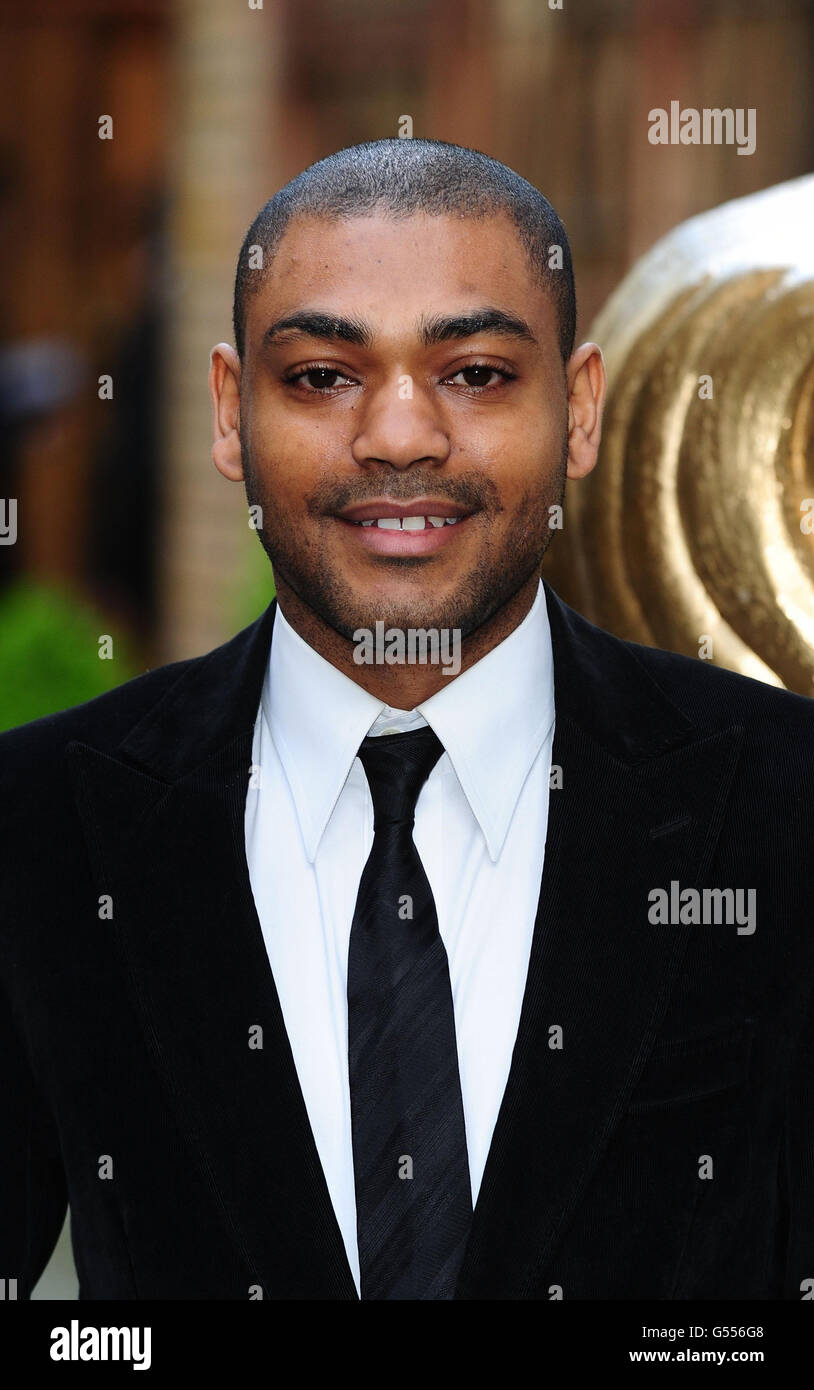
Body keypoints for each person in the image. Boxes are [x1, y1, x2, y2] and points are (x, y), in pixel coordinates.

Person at [1, 138, 812, 1302]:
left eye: (475, 373)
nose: (397, 436)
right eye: (323, 375)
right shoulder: (40, 825)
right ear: (229, 412)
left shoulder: (783, 805)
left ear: (580, 411)